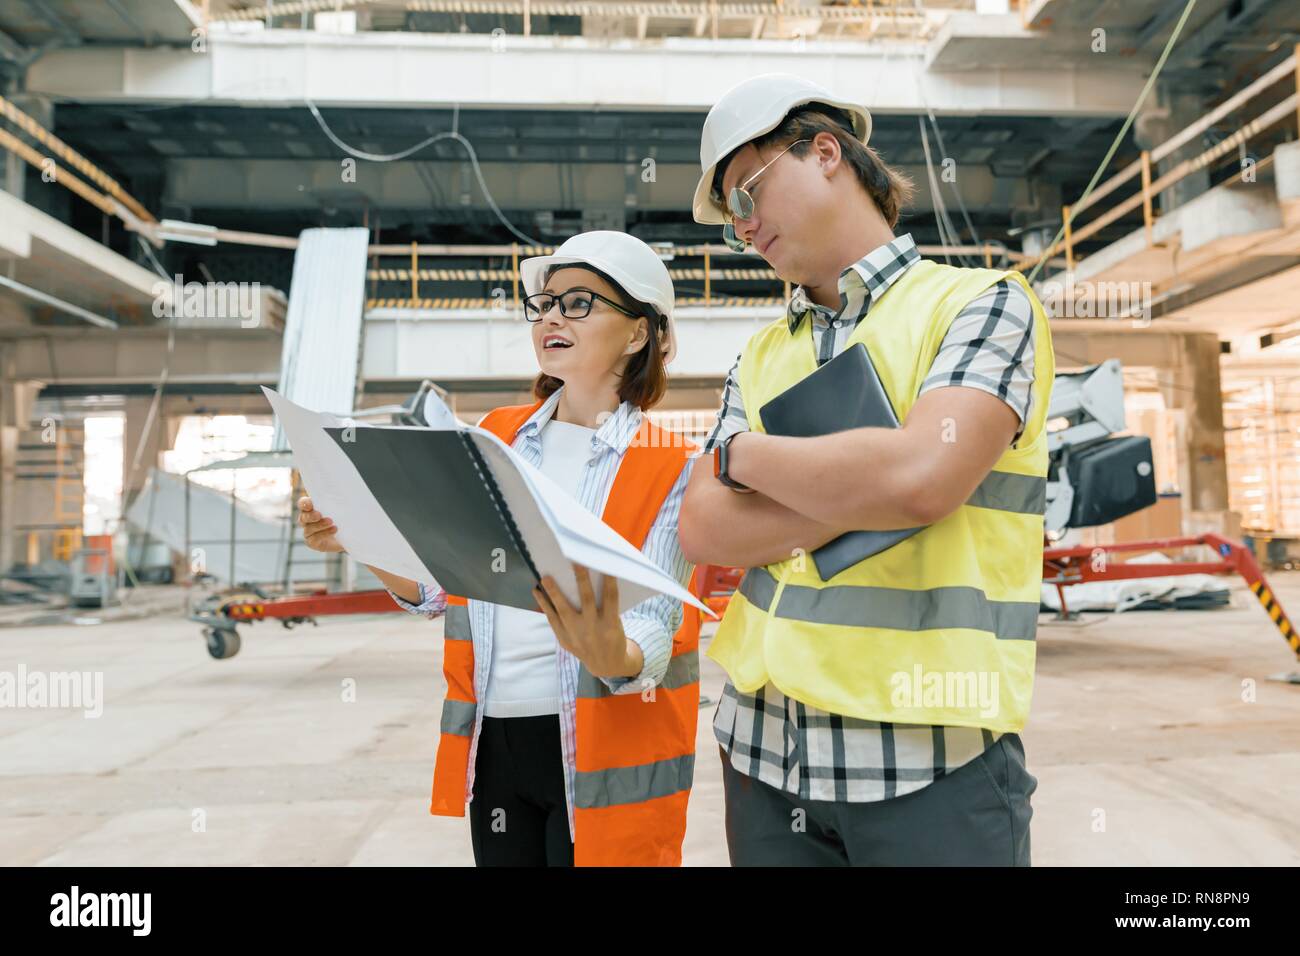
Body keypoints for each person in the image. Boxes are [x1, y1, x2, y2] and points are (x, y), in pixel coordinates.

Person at [679, 73, 1056, 866]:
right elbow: (705, 527)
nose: (743, 230)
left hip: (930, 761)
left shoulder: (982, 305)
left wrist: (744, 455)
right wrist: (879, 486)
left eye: (745, 197)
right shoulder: (761, 353)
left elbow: (923, 478)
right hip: (763, 753)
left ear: (824, 153)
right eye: (731, 221)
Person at [298, 231, 701, 866]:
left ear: (638, 333)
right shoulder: (494, 437)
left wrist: (614, 652)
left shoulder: (675, 466)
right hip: (498, 743)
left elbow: (658, 625)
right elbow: (437, 589)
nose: (550, 318)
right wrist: (358, 533)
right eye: (543, 304)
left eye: (578, 303)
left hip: (602, 751)